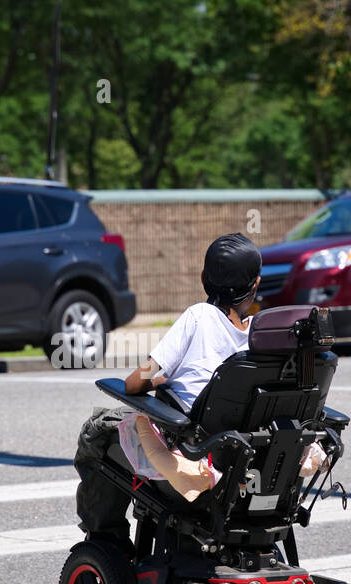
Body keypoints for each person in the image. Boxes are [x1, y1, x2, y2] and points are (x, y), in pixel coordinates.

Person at [74, 232, 261, 552]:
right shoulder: (259, 334)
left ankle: (106, 541)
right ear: (256, 284)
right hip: (241, 460)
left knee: (95, 431)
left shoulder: (198, 317)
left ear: (204, 279)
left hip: (190, 449)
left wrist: (153, 383)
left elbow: (135, 382)